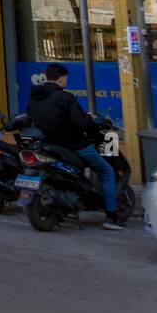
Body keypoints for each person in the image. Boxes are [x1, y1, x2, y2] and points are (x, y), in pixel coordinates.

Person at [27, 63, 124, 230]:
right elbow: (79, 121)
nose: (66, 81)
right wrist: (92, 121)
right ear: (60, 78)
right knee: (106, 171)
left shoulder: (33, 98)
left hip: (49, 144)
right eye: (66, 78)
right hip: (74, 144)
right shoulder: (65, 97)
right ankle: (111, 217)